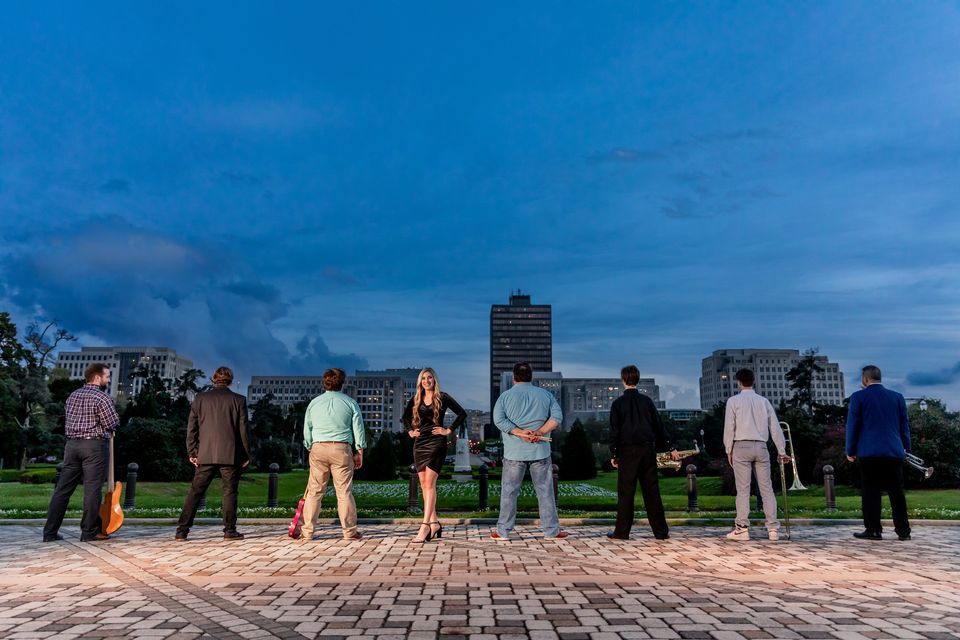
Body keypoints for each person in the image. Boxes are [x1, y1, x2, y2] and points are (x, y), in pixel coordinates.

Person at [43, 363, 119, 542]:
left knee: (62, 490)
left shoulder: (72, 396)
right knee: (92, 490)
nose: (108, 380)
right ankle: (88, 532)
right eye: (107, 377)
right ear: (98, 377)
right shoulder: (102, 398)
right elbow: (112, 423)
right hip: (93, 446)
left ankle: (50, 532)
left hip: (71, 446)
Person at [491, 362, 567, 540]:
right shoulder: (546, 395)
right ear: (531, 376)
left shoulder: (505, 396)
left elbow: (498, 420)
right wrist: (539, 432)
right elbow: (557, 417)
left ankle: (503, 531)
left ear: (514, 376)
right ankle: (552, 531)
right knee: (545, 492)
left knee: (509, 493)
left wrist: (519, 432)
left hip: (513, 453)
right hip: (540, 450)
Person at [175, 366, 251, 541]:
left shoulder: (200, 399)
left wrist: (192, 452)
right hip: (230, 455)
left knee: (195, 492)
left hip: (206, 453)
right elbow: (243, 431)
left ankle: (182, 531)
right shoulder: (238, 400)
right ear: (230, 380)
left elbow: (191, 428)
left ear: (214, 379)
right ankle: (229, 531)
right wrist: (246, 454)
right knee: (230, 492)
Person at [608, 365, 679, 540]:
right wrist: (671, 447)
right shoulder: (647, 401)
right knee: (652, 491)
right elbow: (658, 425)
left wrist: (614, 454)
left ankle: (621, 532)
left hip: (626, 451)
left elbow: (614, 431)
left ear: (623, 380)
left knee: (626, 493)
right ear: (637, 380)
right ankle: (661, 532)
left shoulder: (617, 404)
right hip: (647, 449)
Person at [298, 368, 367, 541]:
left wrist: (310, 447)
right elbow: (358, 429)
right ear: (342, 383)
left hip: (318, 447)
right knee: (344, 492)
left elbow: (307, 429)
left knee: (314, 491)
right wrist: (359, 451)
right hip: (341, 448)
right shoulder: (350, 403)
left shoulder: (314, 403)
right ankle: (349, 532)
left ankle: (307, 531)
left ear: (325, 382)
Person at [723, 368, 791, 541]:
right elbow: (775, 427)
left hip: (741, 446)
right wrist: (781, 450)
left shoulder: (733, 401)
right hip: (761, 446)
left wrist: (728, 449)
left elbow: (729, 428)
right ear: (754, 381)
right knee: (766, 489)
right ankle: (773, 529)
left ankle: (742, 528)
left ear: (738, 382)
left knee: (743, 490)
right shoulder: (763, 401)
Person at [846, 365, 911, 541]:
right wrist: (906, 448)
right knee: (897, 492)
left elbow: (853, 426)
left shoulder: (859, 397)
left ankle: (874, 530)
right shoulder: (897, 397)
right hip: (893, 451)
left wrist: (850, 450)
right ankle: (903, 531)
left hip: (869, 452)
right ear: (879, 377)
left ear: (865, 379)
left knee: (871, 492)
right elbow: (904, 426)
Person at [403, 368, 467, 542]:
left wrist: (448, 430)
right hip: (420, 443)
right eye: (423, 378)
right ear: (420, 381)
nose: (426, 381)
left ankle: (424, 526)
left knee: (429, 484)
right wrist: (410, 431)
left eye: (429, 377)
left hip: (436, 443)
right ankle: (434, 523)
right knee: (424, 484)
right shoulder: (417, 398)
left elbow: (462, 413)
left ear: (434, 380)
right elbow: (405, 417)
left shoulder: (442, 397)